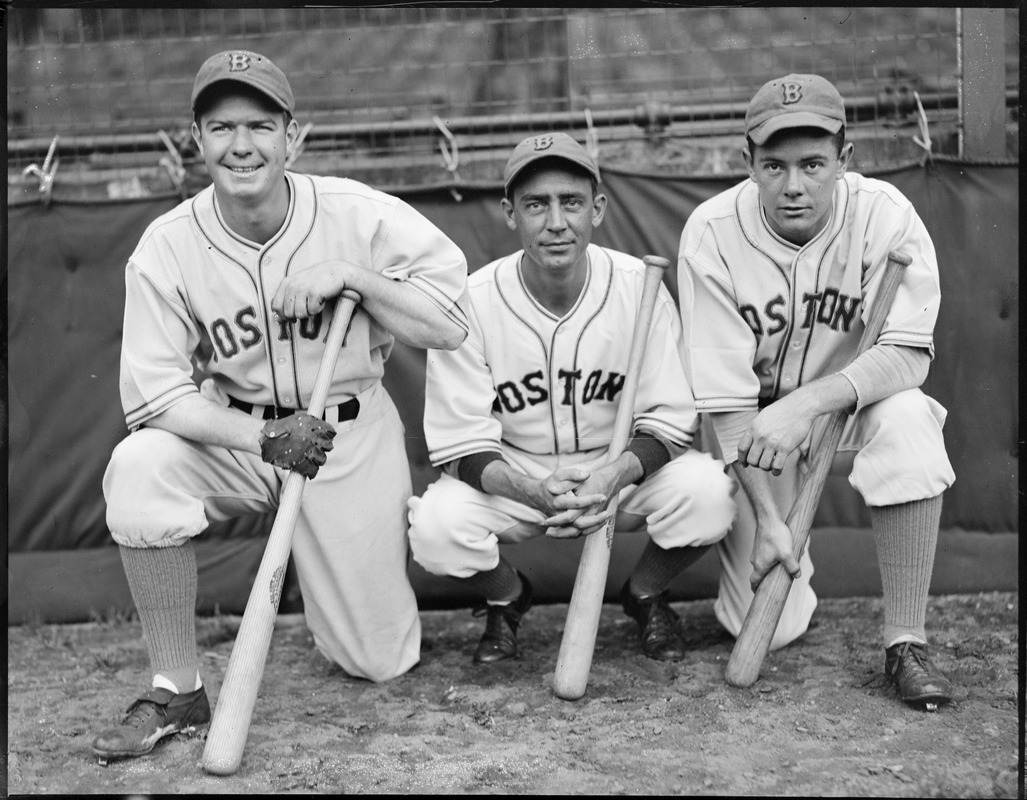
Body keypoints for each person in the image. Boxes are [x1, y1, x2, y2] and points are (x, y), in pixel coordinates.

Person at [92, 50, 469, 762]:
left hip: (346, 433)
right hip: (236, 432)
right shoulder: (166, 246)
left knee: (375, 660)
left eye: (260, 125)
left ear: (294, 136)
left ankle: (333, 592)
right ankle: (176, 685)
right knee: (139, 466)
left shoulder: (359, 215)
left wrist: (353, 275)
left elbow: (448, 324)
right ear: (194, 141)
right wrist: (262, 436)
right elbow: (156, 396)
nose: (242, 146)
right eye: (221, 127)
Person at [677, 73, 956, 708]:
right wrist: (773, 522)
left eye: (812, 164)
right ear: (747, 161)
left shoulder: (883, 214)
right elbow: (725, 403)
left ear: (844, 160)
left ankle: (906, 641)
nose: (794, 185)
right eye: (774, 165)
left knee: (911, 418)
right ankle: (770, 537)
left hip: (847, 401)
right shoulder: (711, 232)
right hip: (760, 433)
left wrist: (809, 403)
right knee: (772, 628)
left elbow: (909, 354)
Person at [407, 132, 736, 665]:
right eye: (537, 204)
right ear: (510, 214)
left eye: (571, 202)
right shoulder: (472, 300)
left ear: (597, 209)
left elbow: (670, 424)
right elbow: (461, 443)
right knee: (436, 528)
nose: (556, 222)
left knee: (709, 493)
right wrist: (534, 491)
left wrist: (611, 479)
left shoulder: (638, 286)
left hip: (619, 471)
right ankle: (506, 596)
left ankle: (646, 593)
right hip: (518, 473)